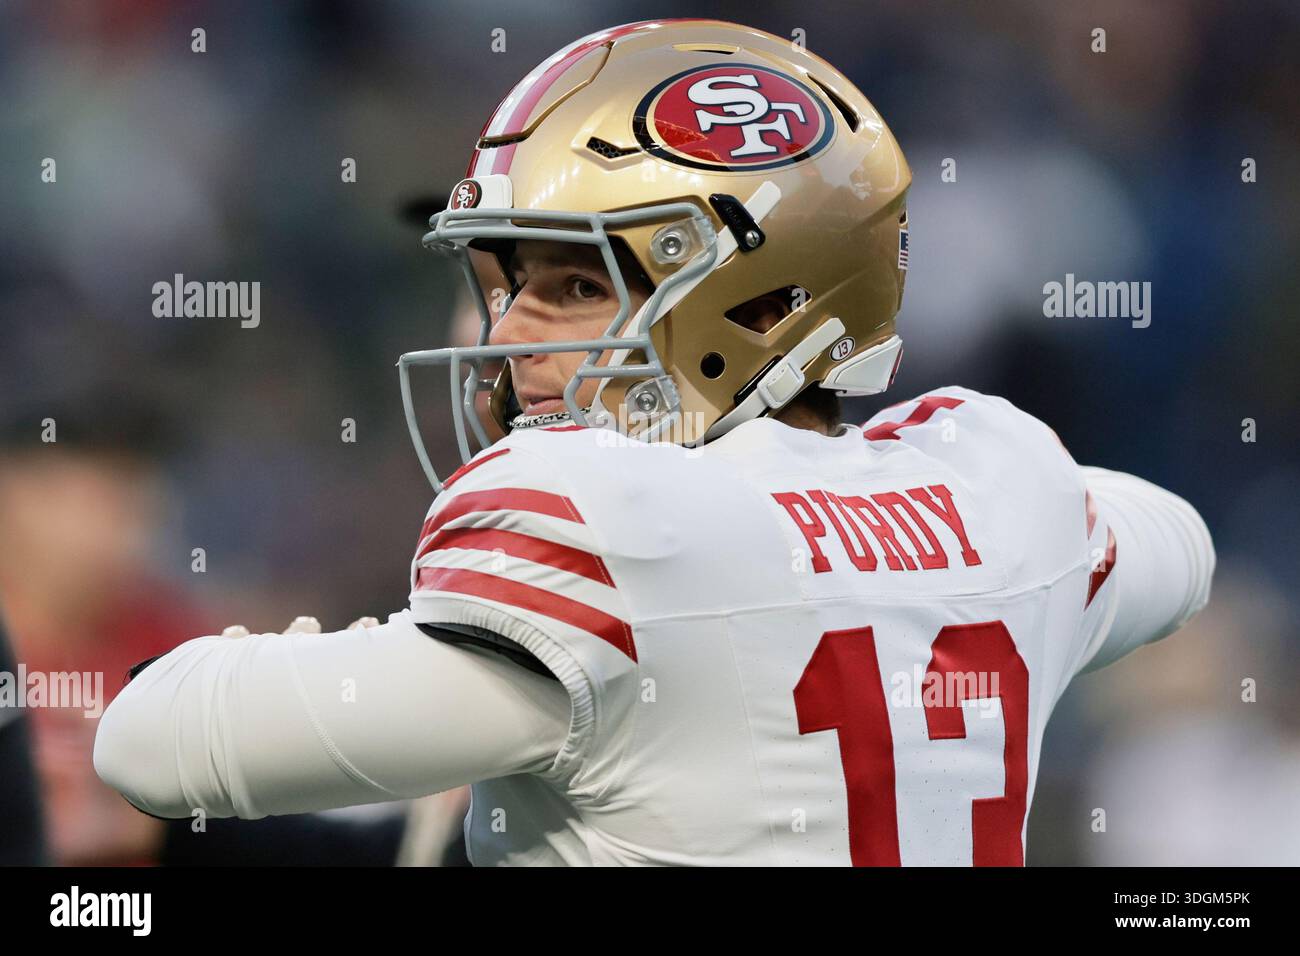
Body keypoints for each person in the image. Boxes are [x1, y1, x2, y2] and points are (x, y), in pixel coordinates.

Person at [94, 19, 1214, 865]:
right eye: (503, 283)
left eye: (577, 285)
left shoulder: (606, 533)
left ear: (773, 304)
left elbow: (150, 741)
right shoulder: (1001, 493)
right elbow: (1177, 542)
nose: (508, 337)